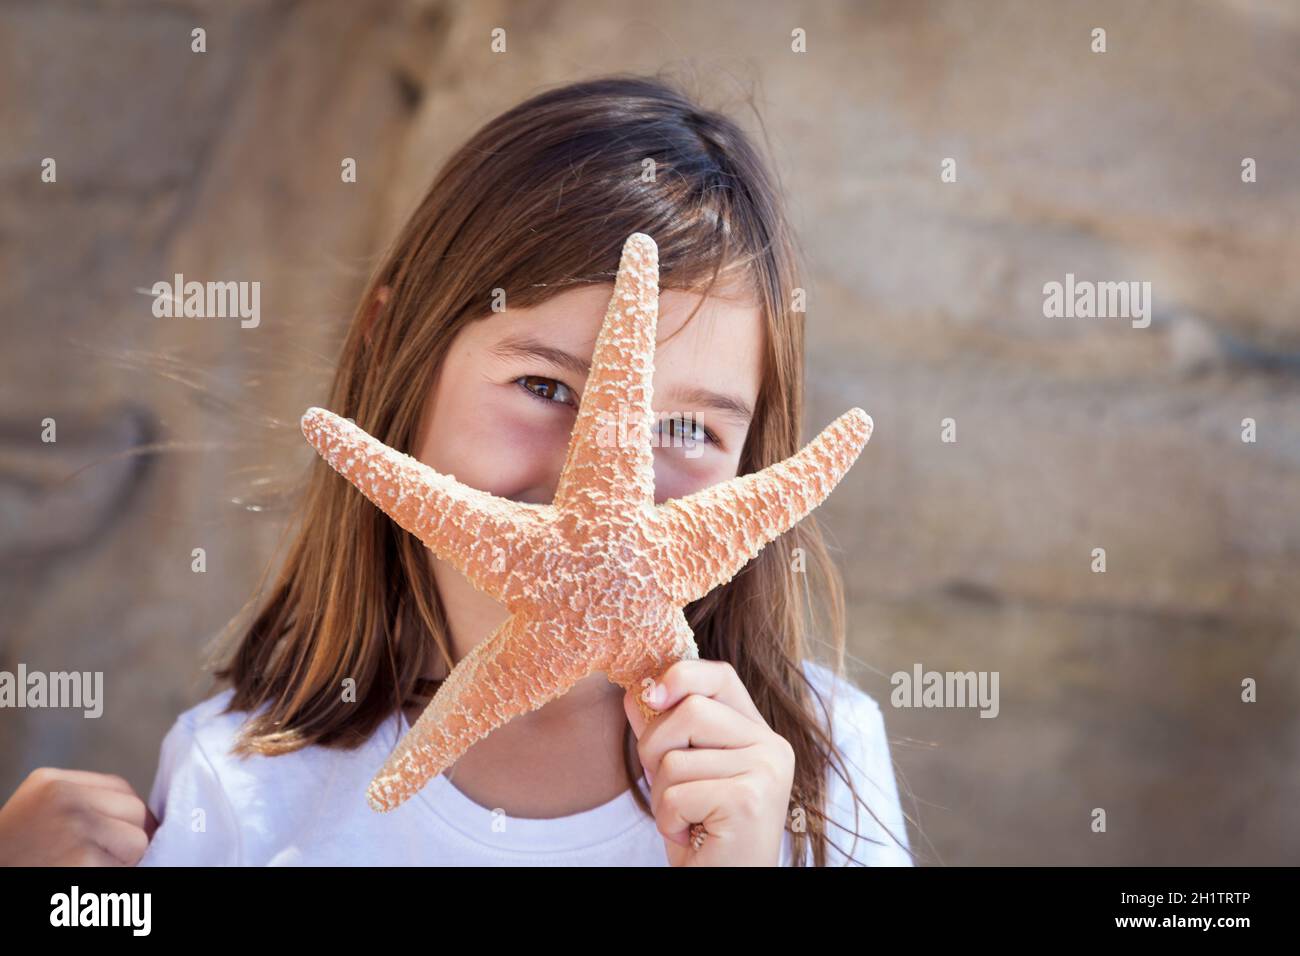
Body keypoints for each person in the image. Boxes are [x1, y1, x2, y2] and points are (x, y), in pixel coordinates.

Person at [0, 73, 913, 867]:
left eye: (685, 426)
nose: (610, 480)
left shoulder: (812, 773)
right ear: (394, 348)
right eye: (547, 386)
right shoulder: (241, 784)